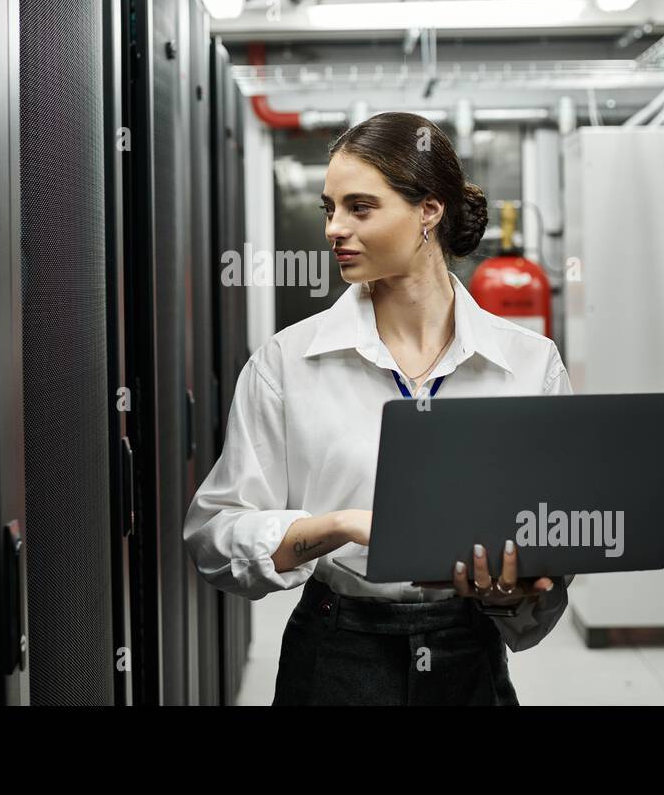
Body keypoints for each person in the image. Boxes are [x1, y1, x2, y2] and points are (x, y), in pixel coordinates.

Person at [182, 111, 574, 705]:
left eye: (360, 208)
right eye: (328, 208)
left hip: (468, 652)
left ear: (428, 212)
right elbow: (214, 537)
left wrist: (507, 593)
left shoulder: (528, 364)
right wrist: (336, 526)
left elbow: (554, 546)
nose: (333, 229)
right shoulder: (287, 362)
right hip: (336, 648)